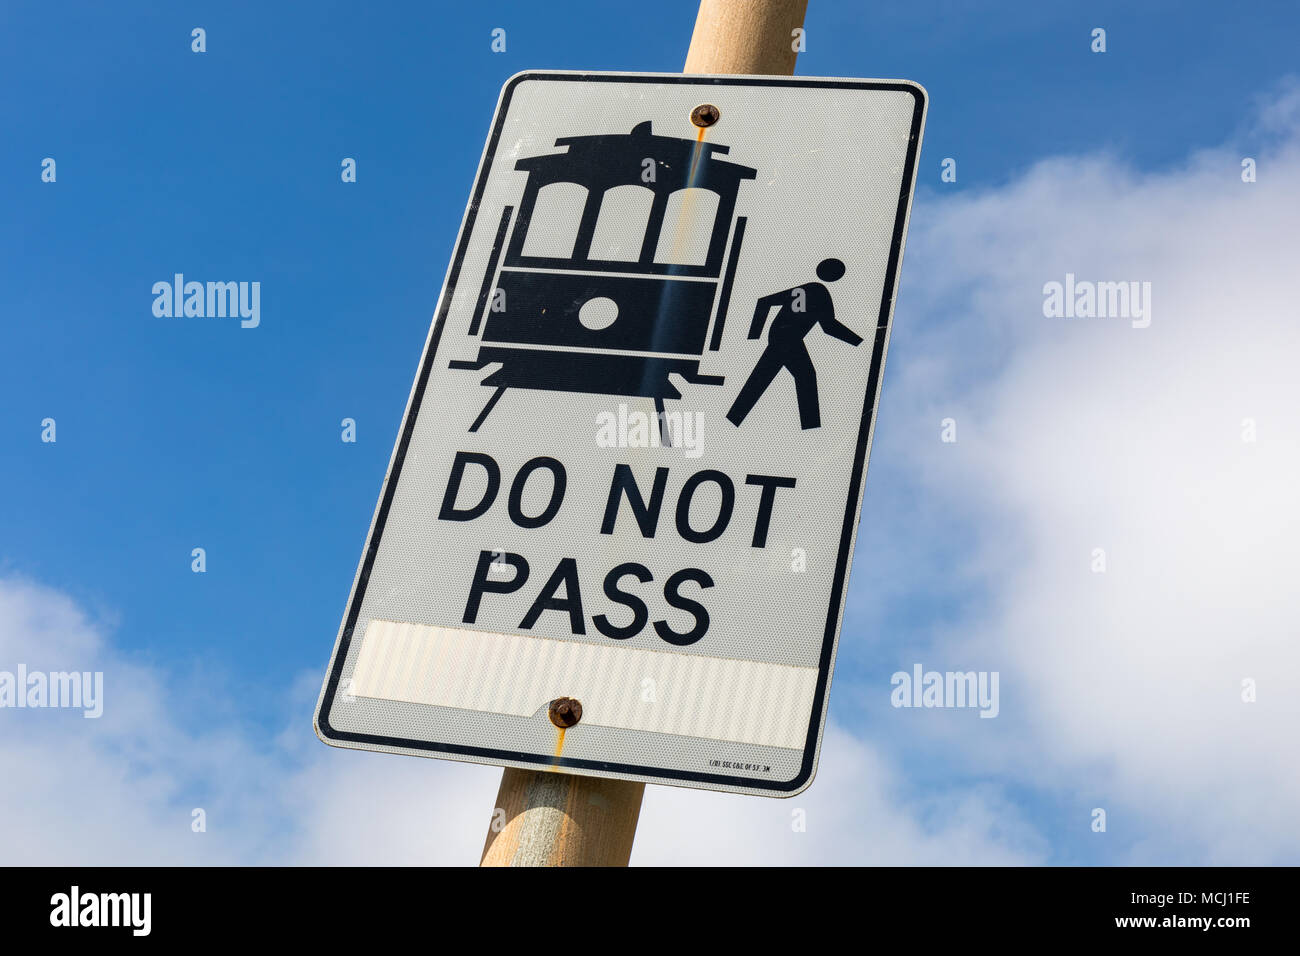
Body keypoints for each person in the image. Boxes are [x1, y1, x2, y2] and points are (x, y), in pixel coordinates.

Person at [726, 258, 862, 430]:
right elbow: (828, 327)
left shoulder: (811, 290)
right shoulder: (818, 291)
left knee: (765, 377)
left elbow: (828, 326)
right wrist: (753, 336)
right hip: (788, 338)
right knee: (803, 376)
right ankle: (811, 428)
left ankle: (732, 420)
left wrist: (857, 342)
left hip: (783, 337)